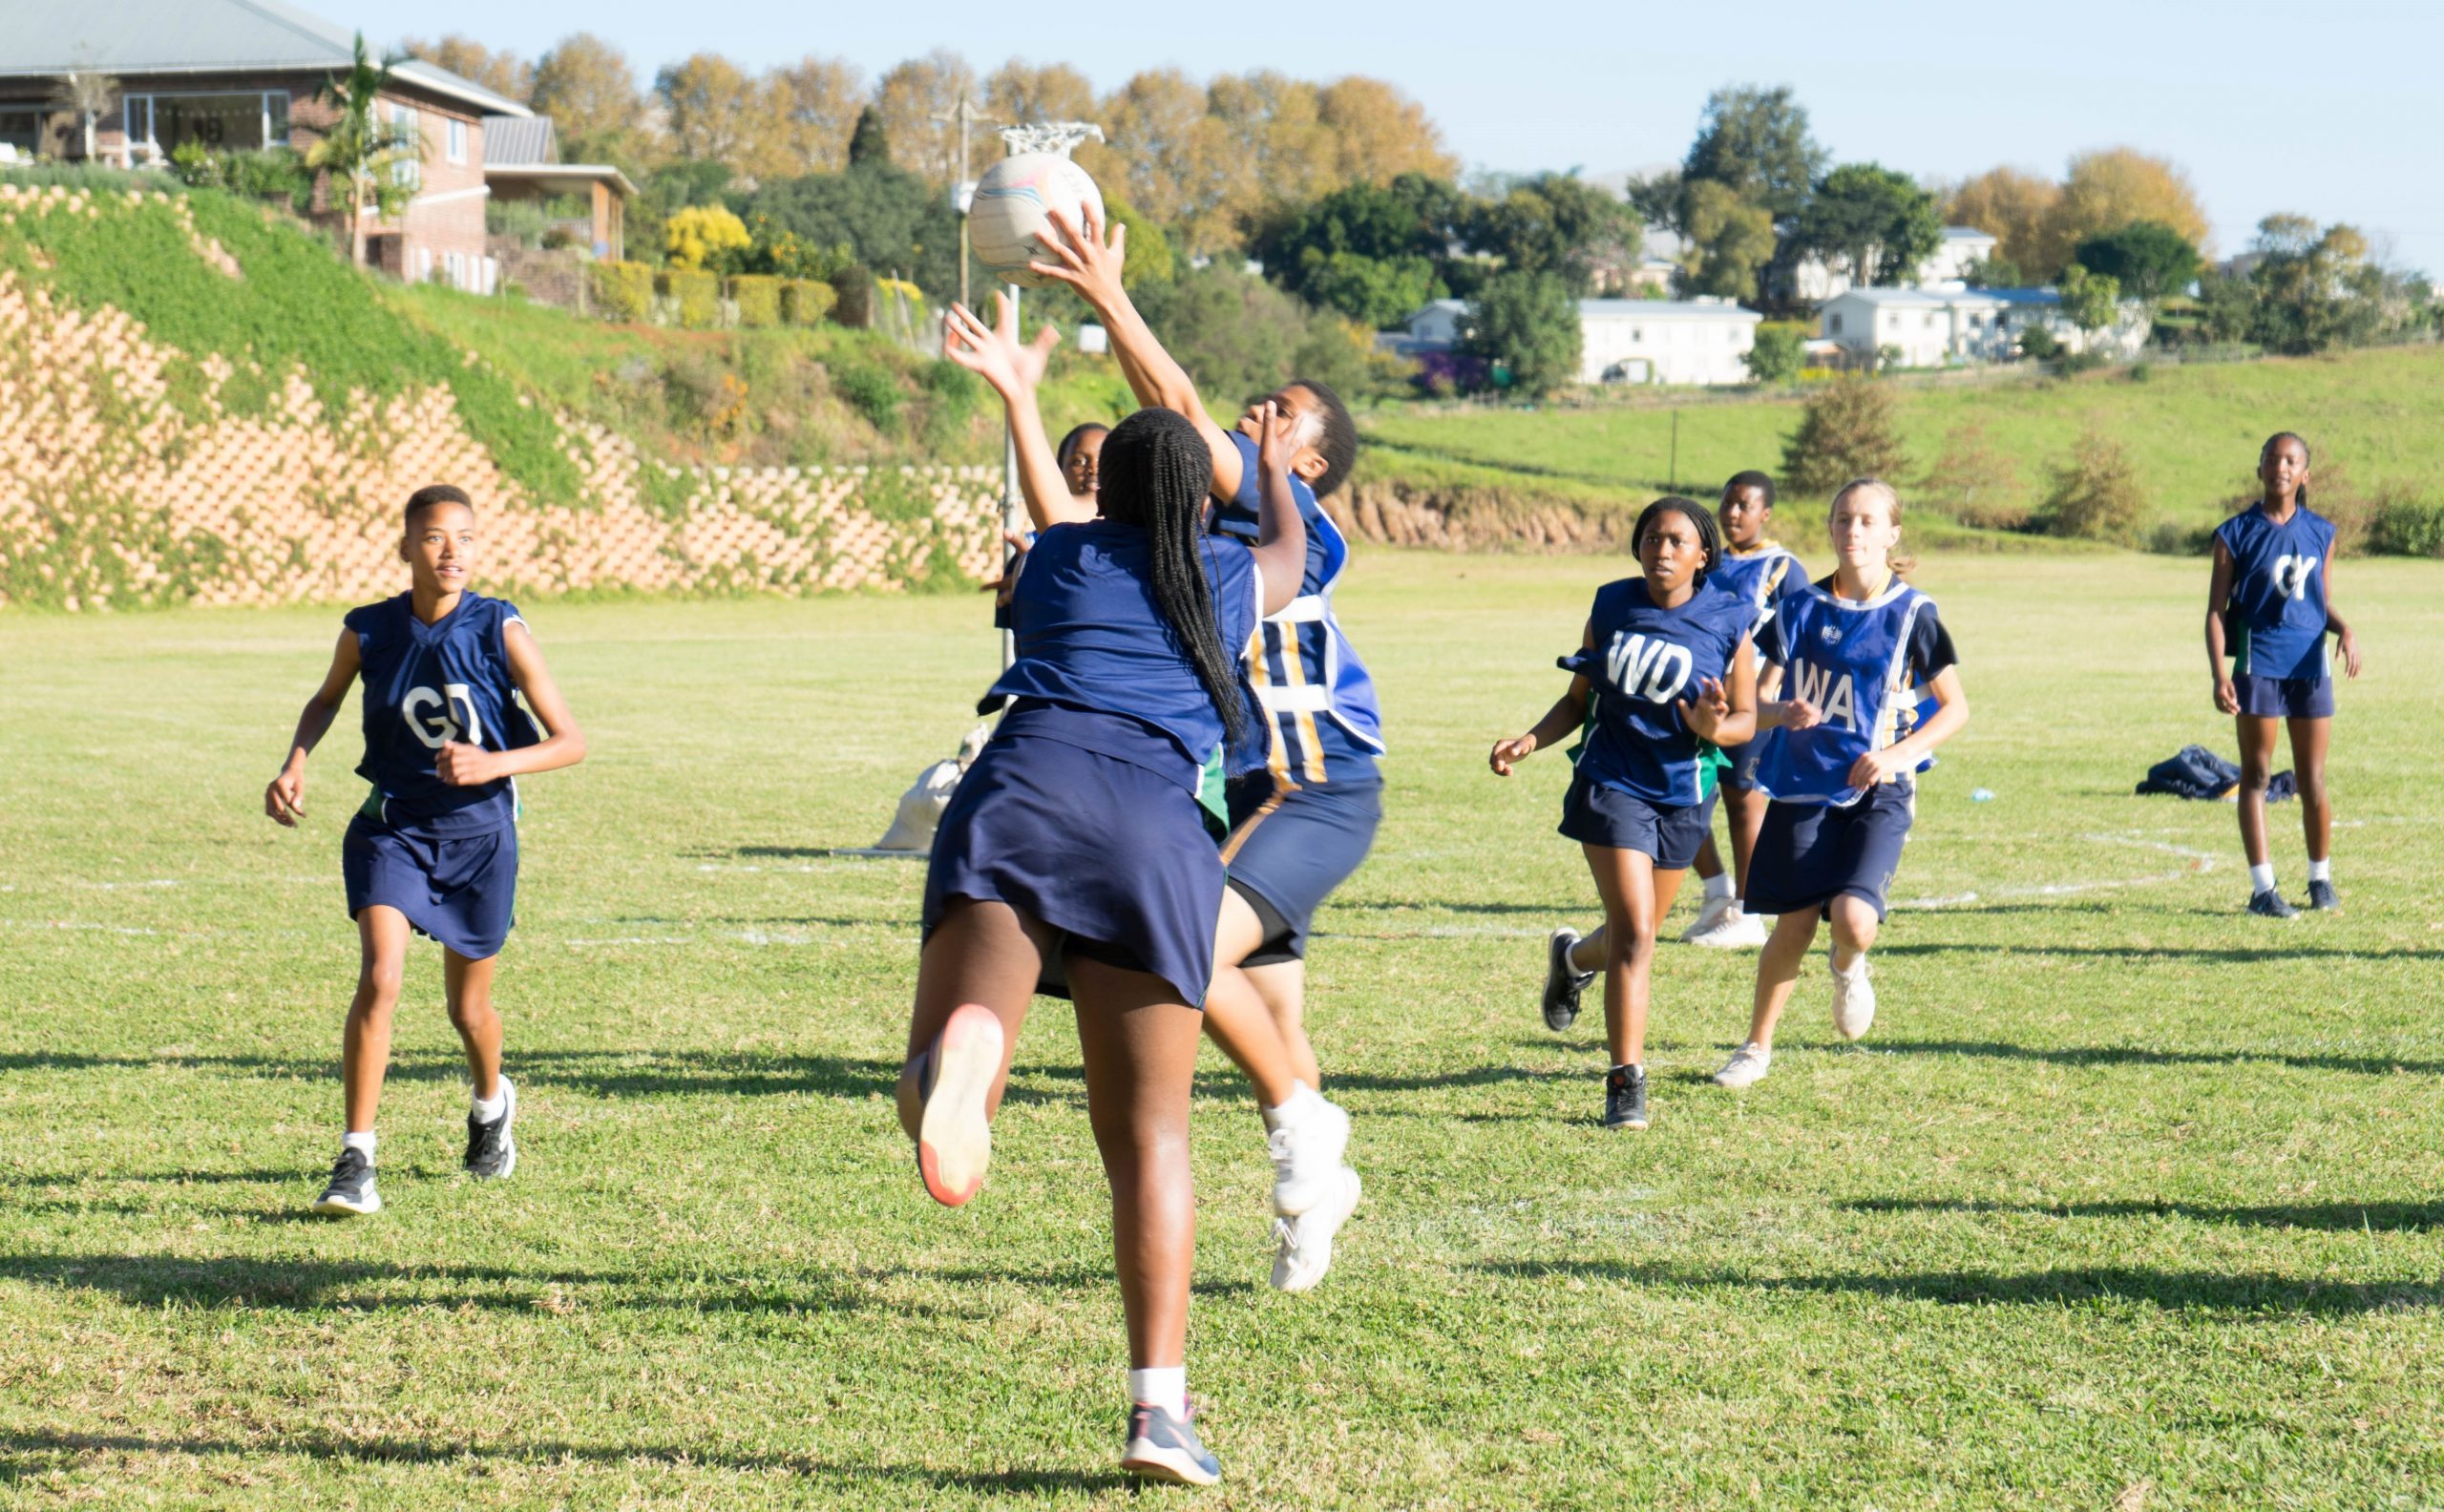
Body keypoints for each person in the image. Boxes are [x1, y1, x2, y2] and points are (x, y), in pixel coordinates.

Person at [914, 296, 1310, 1485]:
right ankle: (1157, 1413)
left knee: (932, 1069)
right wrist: (1276, 469)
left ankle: (970, 1056)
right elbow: (1287, 552)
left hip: (1021, 790)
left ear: (1103, 491)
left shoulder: (1057, 555)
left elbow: (1054, 501)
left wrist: (1022, 399)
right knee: (1150, 1140)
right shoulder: (1229, 575)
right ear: (1200, 501)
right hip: (1154, 835)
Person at [1027, 206, 1375, 1289]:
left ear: (1307, 466)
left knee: (1165, 939)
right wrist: (1019, 396)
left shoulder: (1303, 531)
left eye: (1281, 417)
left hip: (1308, 789)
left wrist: (1106, 295)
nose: (1255, 415)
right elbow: (1089, 507)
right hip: (1229, 798)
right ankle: (1316, 1197)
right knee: (1265, 1014)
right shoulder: (1196, 526)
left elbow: (1172, 406)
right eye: (1254, 407)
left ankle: (1304, 1134)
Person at [263, 484, 587, 1217]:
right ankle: (356, 1159)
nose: (453, 552)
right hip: (393, 827)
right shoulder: (369, 629)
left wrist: (493, 763)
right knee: (380, 977)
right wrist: (296, 759)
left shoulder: (500, 628)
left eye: (466, 538)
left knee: (468, 1013)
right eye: (436, 538)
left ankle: (489, 1105)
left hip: (479, 838)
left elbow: (571, 741)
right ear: (406, 546)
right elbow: (327, 698)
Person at [1489, 497, 1756, 1130]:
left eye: (1677, 542)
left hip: (1684, 793)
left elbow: (1745, 720)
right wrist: (1529, 739)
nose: (1662, 551)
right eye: (1652, 539)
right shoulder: (1611, 606)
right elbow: (1579, 698)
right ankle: (1625, 1082)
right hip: (1611, 781)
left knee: (1635, 937)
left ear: (1703, 556)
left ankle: (1574, 961)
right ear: (1638, 548)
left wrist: (1713, 727)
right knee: (1636, 932)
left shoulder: (1730, 619)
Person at [1709, 478, 1968, 1092]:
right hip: (1802, 785)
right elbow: (1756, 700)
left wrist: (1893, 755)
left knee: (1852, 920)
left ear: (1891, 533)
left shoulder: (1914, 613)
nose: (1854, 531)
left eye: (1868, 521)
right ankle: (1754, 1049)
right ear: (1830, 529)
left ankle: (1849, 965)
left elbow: (1955, 709)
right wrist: (1780, 714)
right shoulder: (1799, 607)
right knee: (1792, 926)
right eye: (1844, 520)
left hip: (1880, 791)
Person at [2205, 431, 2360, 917]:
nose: (2281, 467)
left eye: (2291, 461)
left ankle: (2320, 879)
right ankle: (2262, 889)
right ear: (2261, 470)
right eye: (2273, 459)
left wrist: (2346, 630)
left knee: (2312, 777)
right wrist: (2218, 674)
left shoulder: (2322, 532)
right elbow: (2215, 611)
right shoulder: (2235, 533)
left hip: (2309, 665)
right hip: (2258, 662)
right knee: (2256, 774)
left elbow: (2320, 601)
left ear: (2305, 474)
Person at [1681, 471, 1807, 949]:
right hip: (1700, 697)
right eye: (1727, 503)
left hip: (1751, 702)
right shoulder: (1708, 561)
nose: (1733, 514)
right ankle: (1717, 894)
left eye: (1745, 506)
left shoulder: (1780, 566)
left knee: (1742, 804)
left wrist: (1770, 696)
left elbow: (1797, 635)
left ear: (1765, 514)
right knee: (1686, 796)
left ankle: (1750, 911)